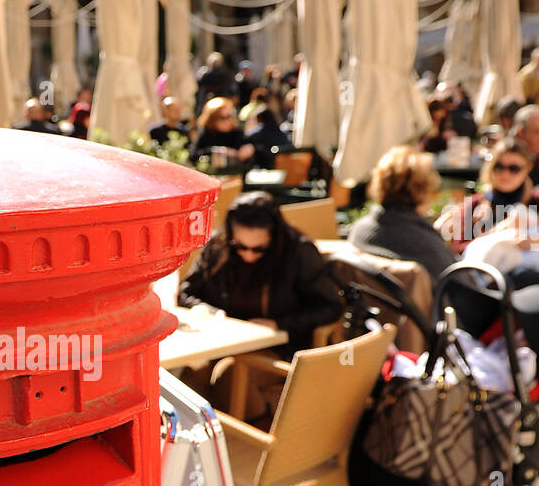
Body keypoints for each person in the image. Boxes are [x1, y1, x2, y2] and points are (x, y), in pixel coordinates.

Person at [179, 191, 343, 357]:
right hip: (219, 341)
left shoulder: (299, 252)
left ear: (275, 238)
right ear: (231, 235)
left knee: (224, 374)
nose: (249, 255)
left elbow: (331, 307)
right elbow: (186, 292)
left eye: (259, 249)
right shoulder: (218, 246)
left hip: (277, 348)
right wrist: (211, 312)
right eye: (240, 247)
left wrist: (278, 324)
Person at [434, 136, 539, 257]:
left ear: (528, 168)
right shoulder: (475, 204)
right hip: (486, 276)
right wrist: (501, 234)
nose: (505, 174)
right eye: (499, 167)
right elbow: (460, 249)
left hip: (528, 276)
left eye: (514, 168)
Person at [348, 146, 457, 286]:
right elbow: (462, 288)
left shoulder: (360, 231)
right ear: (423, 191)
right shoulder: (426, 244)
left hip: (372, 306)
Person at [190, 97, 255, 171]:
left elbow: (254, 148)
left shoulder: (237, 133)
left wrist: (249, 149)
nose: (229, 120)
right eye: (223, 118)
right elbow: (193, 155)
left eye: (230, 116)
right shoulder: (206, 134)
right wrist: (220, 151)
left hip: (235, 175)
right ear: (212, 119)